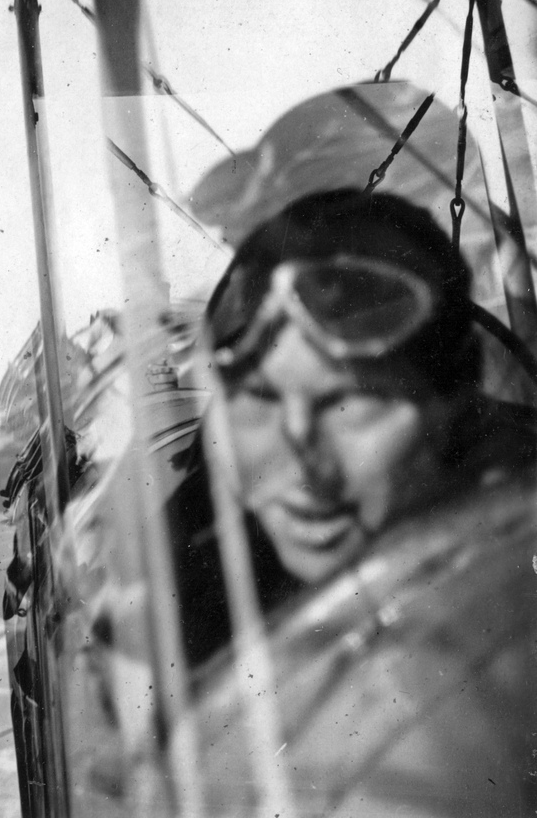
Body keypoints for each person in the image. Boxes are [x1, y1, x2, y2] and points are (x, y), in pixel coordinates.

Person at [166, 187, 537, 816]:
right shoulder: (187, 559)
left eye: (351, 404)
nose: (304, 468)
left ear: (452, 403)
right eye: (259, 399)